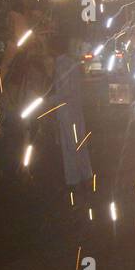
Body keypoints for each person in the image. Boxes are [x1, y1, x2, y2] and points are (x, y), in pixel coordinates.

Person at [50, 36, 93, 195]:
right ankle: (86, 176)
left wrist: (47, 101)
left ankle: (75, 180)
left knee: (70, 145)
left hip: (66, 110)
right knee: (79, 142)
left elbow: (64, 91)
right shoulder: (72, 63)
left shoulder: (62, 63)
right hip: (74, 108)